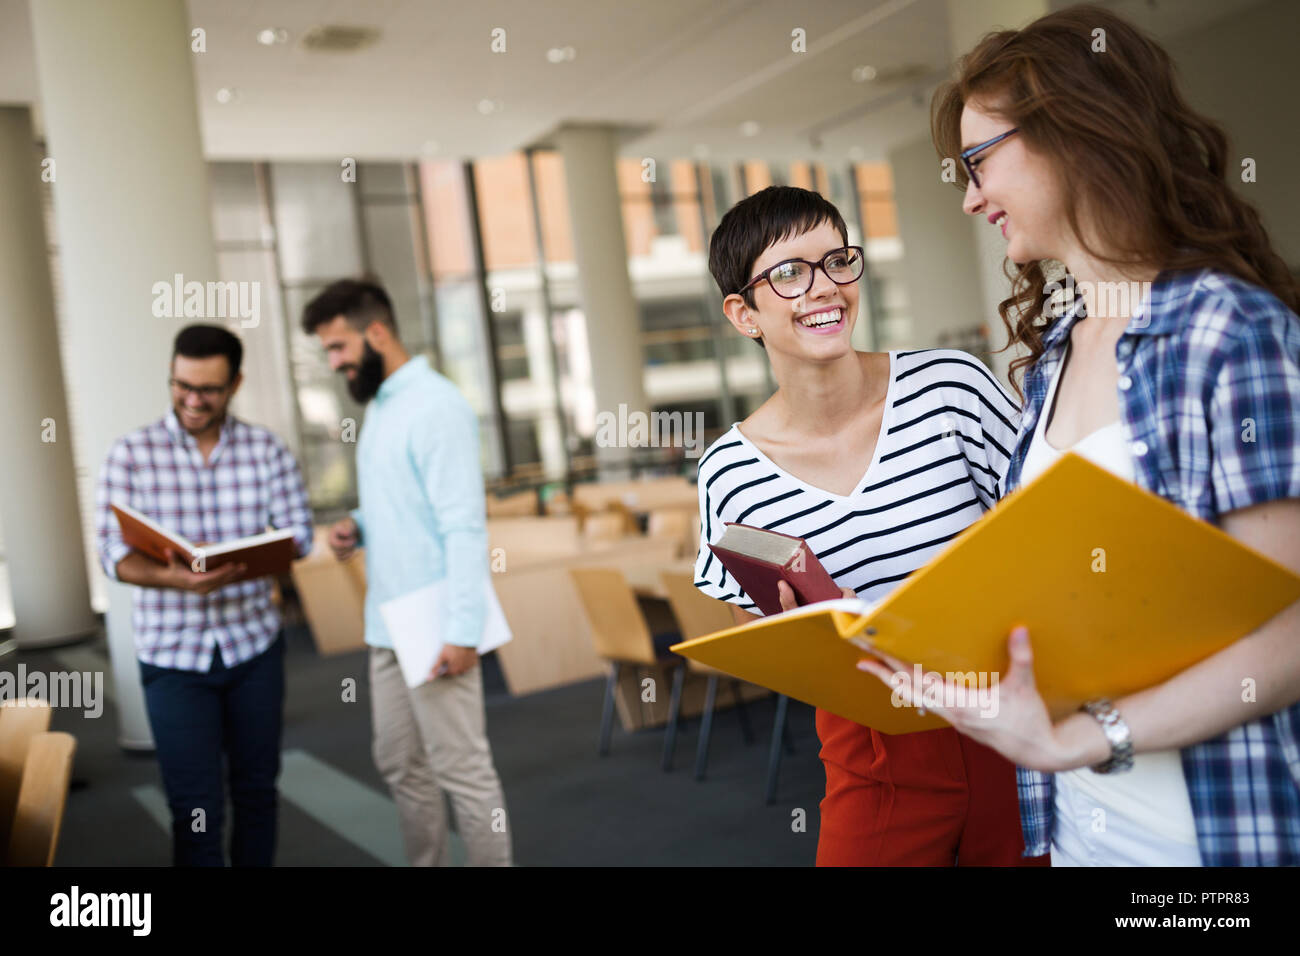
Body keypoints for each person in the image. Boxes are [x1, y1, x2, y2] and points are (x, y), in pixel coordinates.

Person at [860, 4, 1300, 866]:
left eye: (978, 162)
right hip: (1083, 833)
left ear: (1075, 135)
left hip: (1207, 841)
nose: (969, 196)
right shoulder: (1058, 349)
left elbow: (1287, 636)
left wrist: (1084, 737)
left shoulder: (1229, 331)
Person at [693, 185, 1043, 865]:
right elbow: (751, 632)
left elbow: (1041, 535)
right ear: (744, 313)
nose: (824, 289)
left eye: (837, 261)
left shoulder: (951, 388)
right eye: (789, 273)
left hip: (1009, 716)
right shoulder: (729, 472)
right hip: (873, 747)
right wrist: (792, 632)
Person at [302, 278, 512, 867]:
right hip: (387, 624)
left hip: (435, 621)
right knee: (400, 764)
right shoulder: (382, 407)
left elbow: (463, 525)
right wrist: (359, 526)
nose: (334, 362)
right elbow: (407, 502)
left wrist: (462, 631)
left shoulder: (437, 405)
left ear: (376, 332)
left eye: (338, 347)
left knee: (462, 771)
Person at [95, 323, 313, 866]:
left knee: (258, 793)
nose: (192, 400)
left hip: (253, 649)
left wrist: (235, 556)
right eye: (181, 385)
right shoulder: (131, 454)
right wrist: (177, 576)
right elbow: (110, 552)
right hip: (172, 654)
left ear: (235, 383)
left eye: (208, 390)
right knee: (195, 809)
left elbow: (299, 535)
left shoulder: (267, 450)